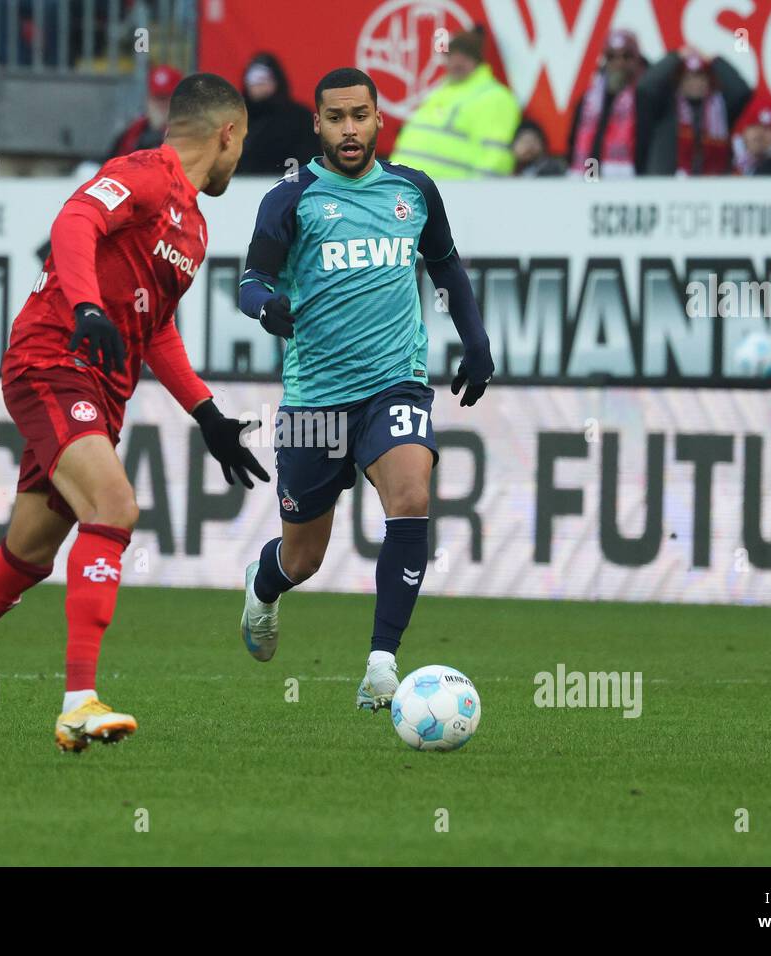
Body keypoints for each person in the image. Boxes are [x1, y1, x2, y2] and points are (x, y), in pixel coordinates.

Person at [0, 74, 267, 755]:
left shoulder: (194, 226)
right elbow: (75, 220)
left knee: (25, 557)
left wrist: (207, 413)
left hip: (100, 386)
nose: (239, 160)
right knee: (114, 505)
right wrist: (85, 305)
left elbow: (157, 330)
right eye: (242, 144)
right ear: (227, 133)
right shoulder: (144, 174)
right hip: (52, 360)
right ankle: (77, 702)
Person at [235, 68, 494, 710]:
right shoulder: (290, 198)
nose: (349, 130)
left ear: (380, 119)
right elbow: (248, 283)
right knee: (303, 559)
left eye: (360, 115)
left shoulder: (414, 191)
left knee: (410, 495)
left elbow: (447, 268)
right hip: (315, 401)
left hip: (395, 384)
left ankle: (382, 662)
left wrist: (477, 341)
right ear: (316, 124)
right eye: (336, 118)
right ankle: (263, 588)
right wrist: (268, 305)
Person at [389, 27, 519, 179]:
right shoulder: (439, 91)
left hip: (452, 193)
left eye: (465, 57)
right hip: (408, 189)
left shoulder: (495, 97)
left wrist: (481, 195)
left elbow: (496, 157)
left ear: (477, 61)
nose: (457, 62)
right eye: (452, 56)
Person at [636, 48, 751, 176]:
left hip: (713, 185)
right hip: (668, 185)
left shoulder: (722, 107)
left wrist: (715, 61)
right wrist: (675, 57)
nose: (695, 83)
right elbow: (645, 87)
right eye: (688, 78)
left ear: (709, 81)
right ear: (679, 81)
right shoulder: (664, 106)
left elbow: (742, 91)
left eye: (700, 77)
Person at [567, 29, 644, 178]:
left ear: (636, 59)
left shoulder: (644, 97)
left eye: (626, 56)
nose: (619, 63)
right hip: (592, 179)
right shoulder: (590, 100)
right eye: (612, 57)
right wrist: (591, 178)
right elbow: (580, 145)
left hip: (632, 184)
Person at [235, 53, 319, 176]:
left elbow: (309, 159)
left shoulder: (299, 118)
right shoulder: (237, 118)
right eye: (253, 81)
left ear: (277, 81)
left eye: (263, 80)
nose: (258, 86)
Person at [106, 64, 181, 159]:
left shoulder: (191, 134)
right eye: (157, 98)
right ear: (148, 99)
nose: (161, 105)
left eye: (167, 98)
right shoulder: (134, 132)